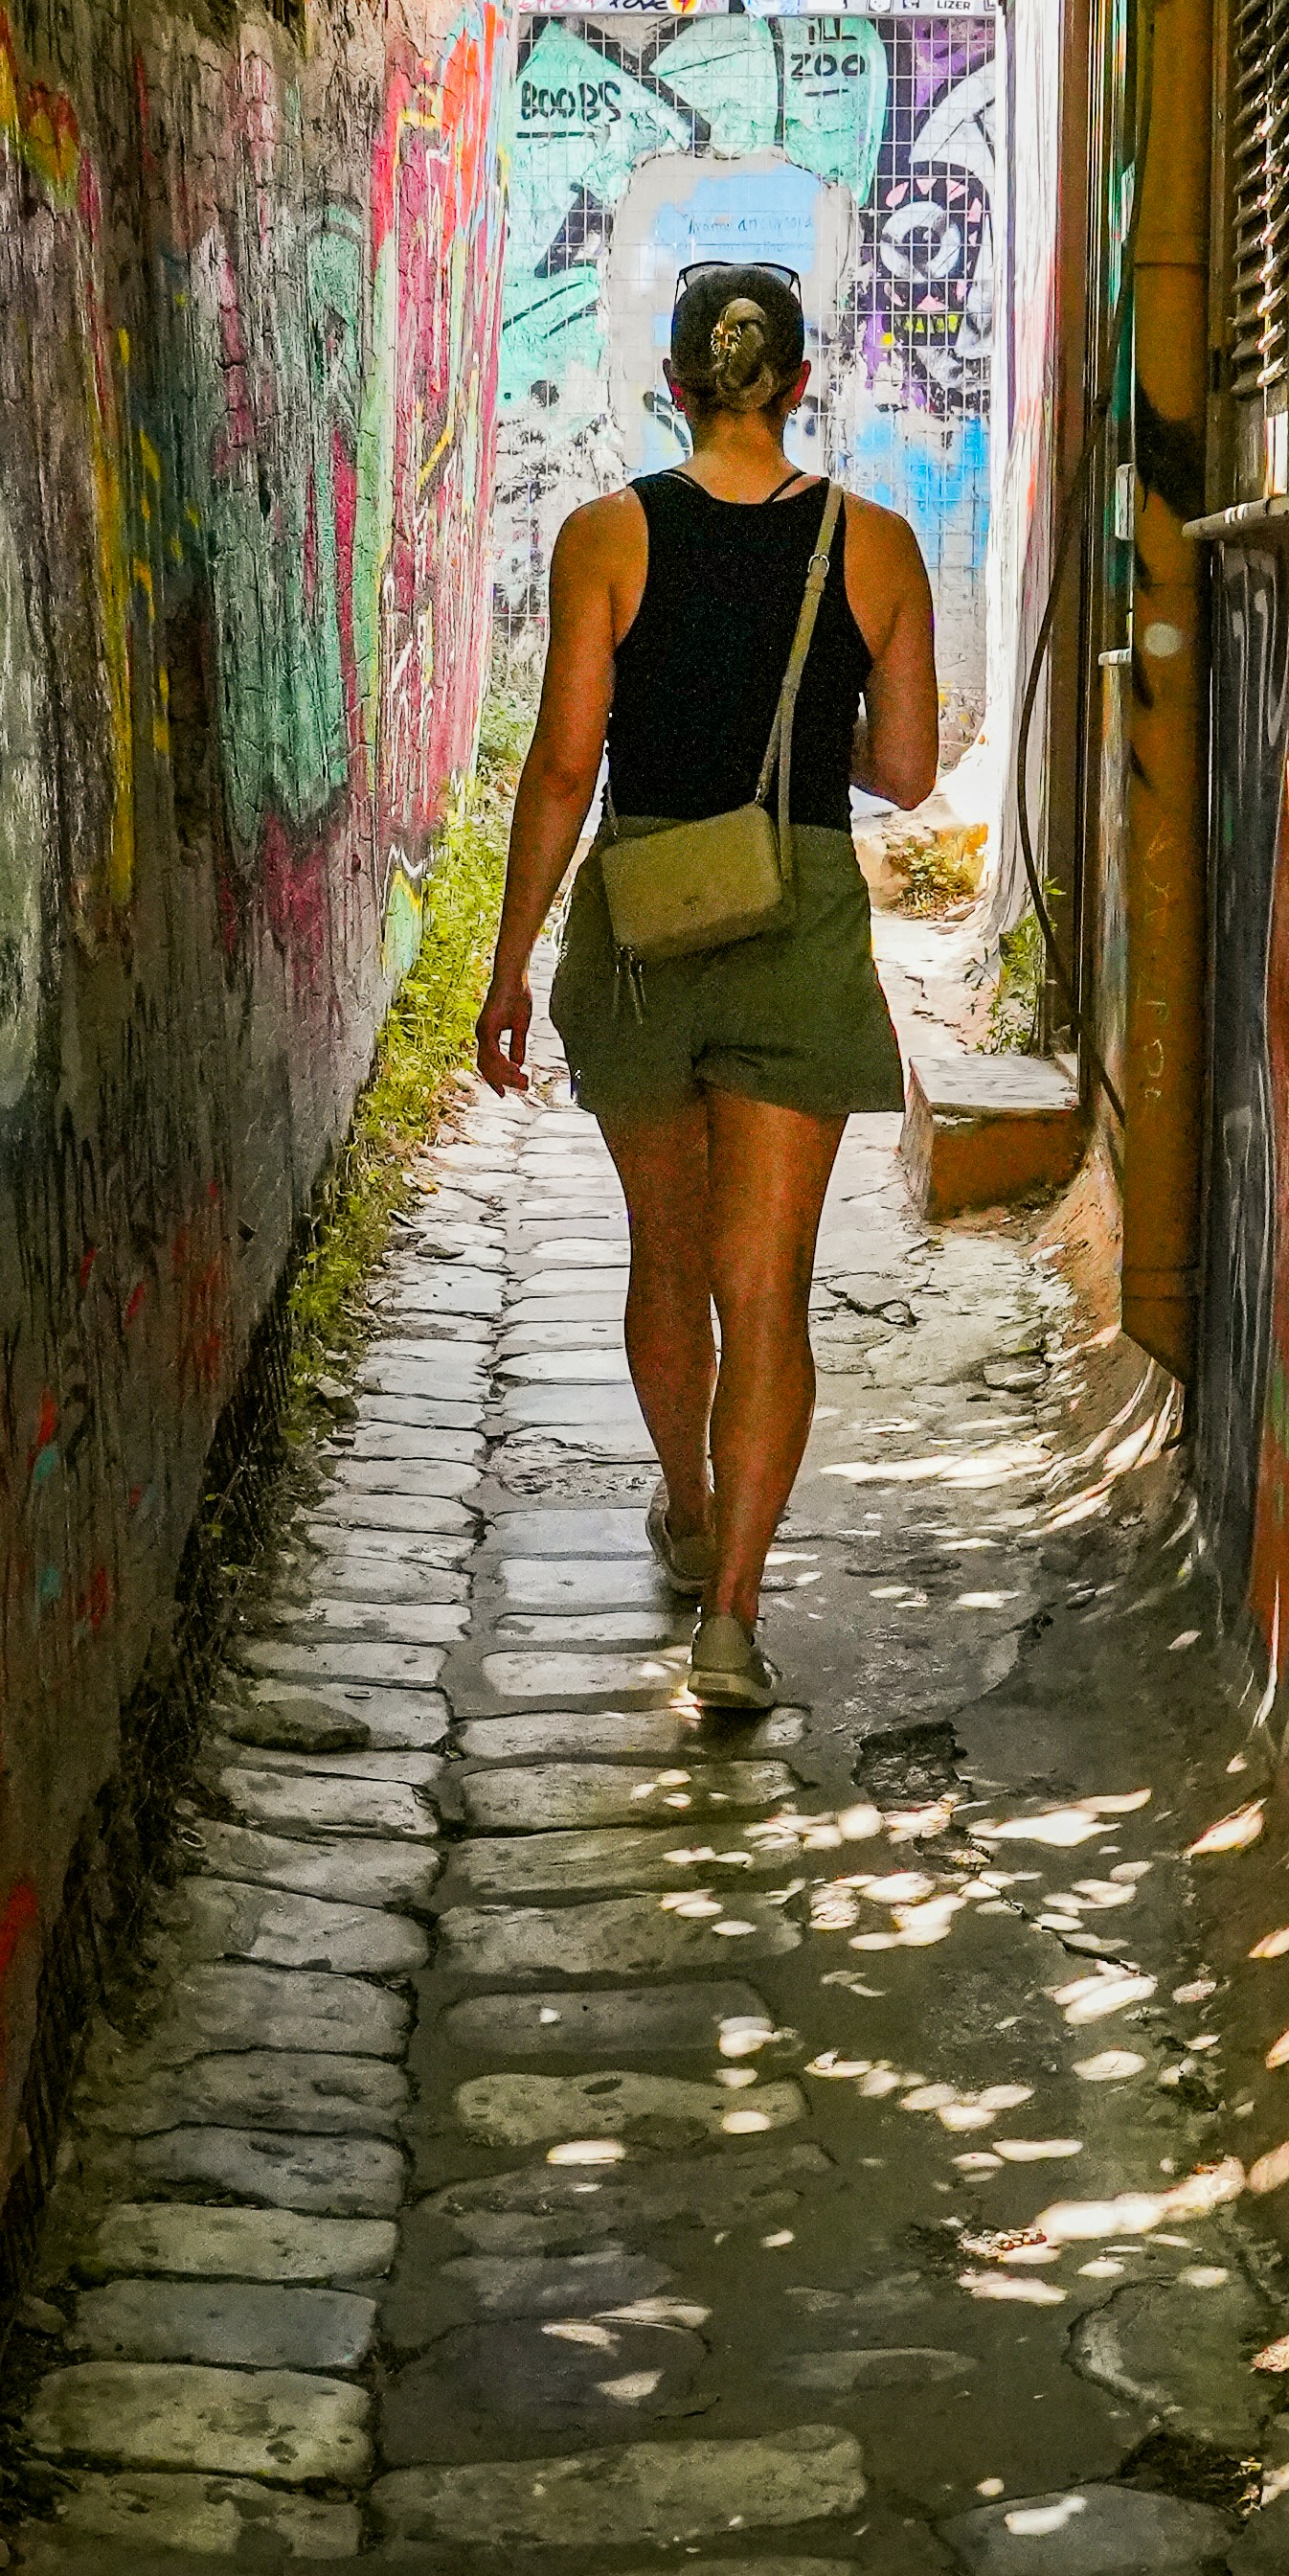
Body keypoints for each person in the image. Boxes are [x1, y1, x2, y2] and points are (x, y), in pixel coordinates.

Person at [475, 257, 940, 1718]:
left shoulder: (605, 537)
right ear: (800, 383)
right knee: (770, 1287)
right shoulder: (875, 546)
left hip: (640, 924)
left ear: (671, 384)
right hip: (796, 922)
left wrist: (506, 960)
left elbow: (564, 765)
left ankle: (683, 1504)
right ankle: (732, 1615)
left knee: (667, 1262)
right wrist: (816, 757)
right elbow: (913, 771)